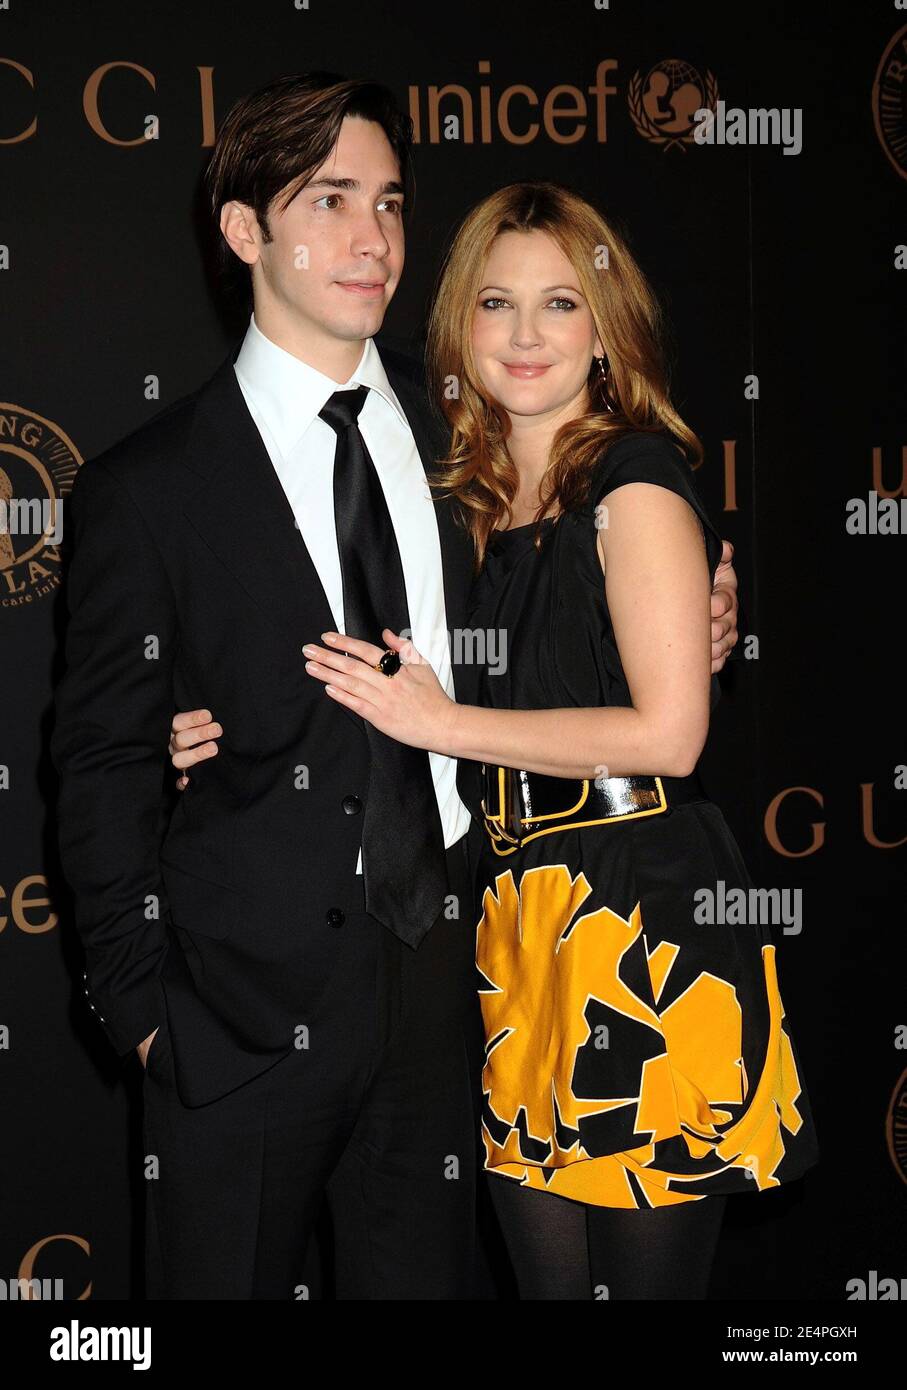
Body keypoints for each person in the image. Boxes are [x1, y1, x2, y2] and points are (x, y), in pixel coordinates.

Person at [51, 69, 739, 1301]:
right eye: (326, 201)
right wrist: (141, 1010)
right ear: (244, 230)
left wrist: (695, 622)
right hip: (233, 1017)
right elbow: (97, 757)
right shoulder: (144, 490)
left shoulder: (468, 437)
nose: (370, 240)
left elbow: (574, 619)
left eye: (389, 202)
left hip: (457, 993)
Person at [172, 181, 818, 1301]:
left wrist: (444, 720)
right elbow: (353, 644)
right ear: (456, 324)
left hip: (644, 924)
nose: (525, 337)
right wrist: (212, 725)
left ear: (605, 328)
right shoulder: (467, 497)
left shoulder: (636, 484)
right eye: (496, 304)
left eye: (560, 304)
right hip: (518, 920)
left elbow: (669, 733)